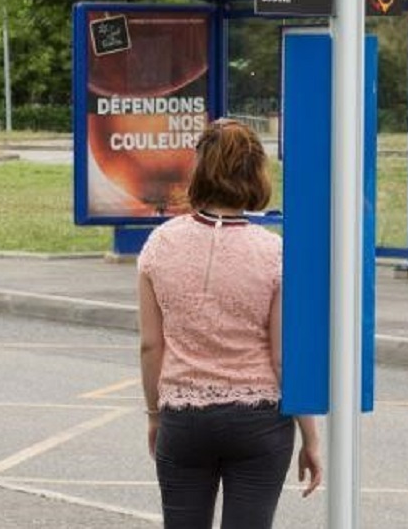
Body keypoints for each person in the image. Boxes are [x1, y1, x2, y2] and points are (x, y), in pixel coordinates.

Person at [138, 118, 322, 528]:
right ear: (255, 173)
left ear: (199, 170)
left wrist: (155, 415)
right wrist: (310, 436)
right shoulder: (275, 253)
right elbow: (282, 358)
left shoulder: (159, 246)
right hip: (258, 420)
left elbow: (151, 346)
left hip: (183, 418)